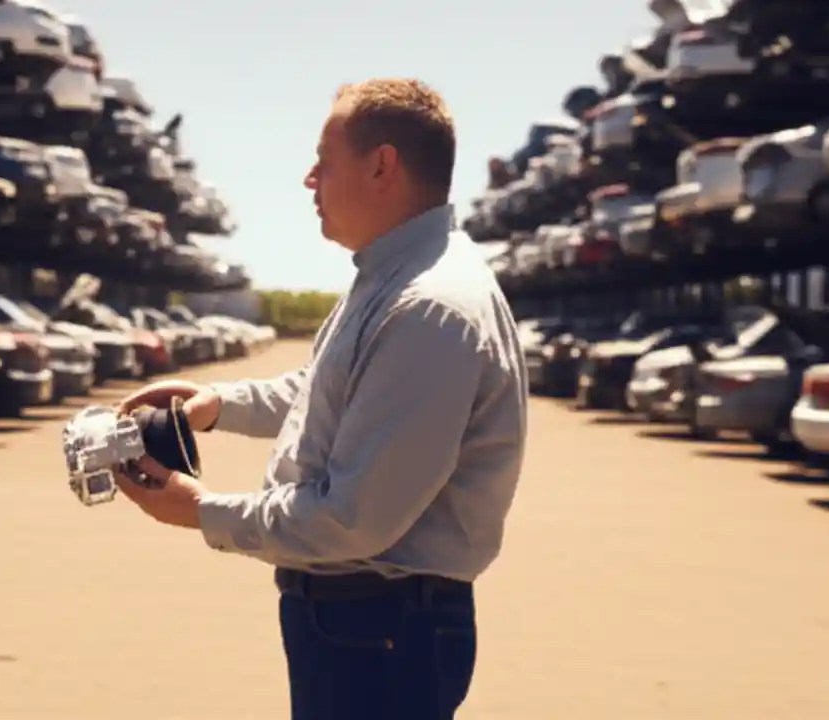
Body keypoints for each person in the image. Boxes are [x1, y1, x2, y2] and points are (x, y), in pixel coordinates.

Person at [112, 78, 528, 720]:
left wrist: (199, 510)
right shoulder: (397, 278)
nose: (311, 180)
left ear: (381, 165)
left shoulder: (428, 306)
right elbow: (327, 393)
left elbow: (353, 520)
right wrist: (215, 404)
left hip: (380, 631)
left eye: (324, 161)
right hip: (370, 625)